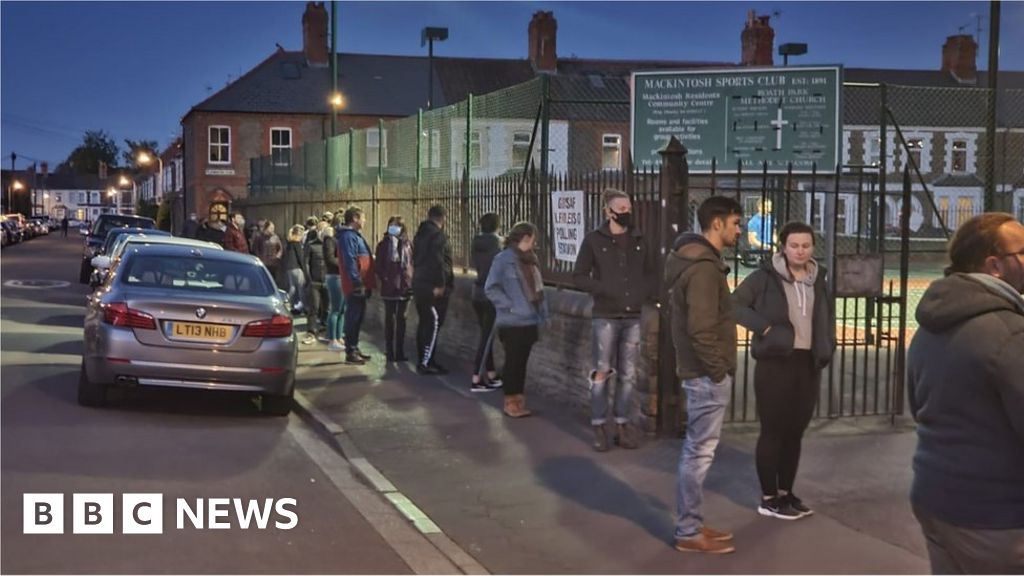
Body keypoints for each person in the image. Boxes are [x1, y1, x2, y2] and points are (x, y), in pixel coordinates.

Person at [907, 213, 1024, 575]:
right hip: (995, 519)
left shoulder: (930, 324)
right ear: (995, 266)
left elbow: (918, 405)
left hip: (935, 500)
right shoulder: (1008, 332)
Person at [732, 221, 835, 521]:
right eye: (794, 245)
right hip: (775, 363)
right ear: (783, 247)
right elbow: (733, 305)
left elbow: (826, 315)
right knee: (773, 431)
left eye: (805, 245)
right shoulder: (764, 278)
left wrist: (827, 345)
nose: (800, 251)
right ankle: (768, 497)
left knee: (795, 433)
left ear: (812, 247)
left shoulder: (819, 279)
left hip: (807, 364)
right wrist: (765, 328)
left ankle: (786, 493)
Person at [665, 195, 743, 554]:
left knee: (698, 451)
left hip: (700, 373)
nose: (739, 230)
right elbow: (701, 329)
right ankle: (688, 531)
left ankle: (692, 523)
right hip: (705, 374)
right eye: (736, 223)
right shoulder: (704, 269)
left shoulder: (696, 261)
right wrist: (717, 371)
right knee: (699, 453)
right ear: (717, 223)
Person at [573, 189, 656, 452]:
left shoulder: (640, 239)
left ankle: (622, 424)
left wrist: (645, 294)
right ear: (608, 211)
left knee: (629, 374)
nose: (626, 213)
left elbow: (651, 273)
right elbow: (579, 276)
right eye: (621, 209)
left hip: (633, 315)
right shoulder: (594, 240)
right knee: (602, 371)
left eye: (629, 208)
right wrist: (604, 289)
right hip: (606, 315)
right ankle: (599, 424)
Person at [484, 222, 548, 418]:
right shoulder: (503, 260)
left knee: (522, 362)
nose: (531, 244)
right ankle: (510, 401)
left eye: (532, 240)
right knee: (513, 361)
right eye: (528, 240)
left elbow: (539, 290)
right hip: (512, 320)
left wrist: (544, 314)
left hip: (530, 319)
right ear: (518, 239)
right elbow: (491, 288)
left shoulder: (531, 260)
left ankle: (519, 400)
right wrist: (511, 305)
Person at [412, 205, 454, 375]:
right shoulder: (437, 236)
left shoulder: (420, 234)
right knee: (433, 324)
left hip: (420, 282)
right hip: (432, 285)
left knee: (425, 322)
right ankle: (426, 362)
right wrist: (440, 284)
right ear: (443, 218)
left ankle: (425, 358)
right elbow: (438, 261)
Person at [470, 212, 504, 392]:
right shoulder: (498, 244)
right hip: (491, 293)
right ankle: (476, 378)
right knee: (486, 338)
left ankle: (490, 373)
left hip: (477, 291)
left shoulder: (476, 242)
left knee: (486, 334)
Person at [338, 206, 375, 365]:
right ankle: (351, 350)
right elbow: (350, 260)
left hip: (361, 284)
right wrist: (357, 282)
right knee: (353, 317)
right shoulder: (348, 237)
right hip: (355, 285)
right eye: (363, 217)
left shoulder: (354, 236)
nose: (365, 221)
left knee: (358, 317)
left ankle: (354, 347)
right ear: (355, 218)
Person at [375, 216, 414, 362]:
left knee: (402, 319)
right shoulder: (383, 245)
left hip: (404, 286)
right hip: (389, 286)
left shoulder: (408, 244)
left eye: (397, 225)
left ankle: (400, 351)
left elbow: (411, 263)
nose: (394, 228)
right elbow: (378, 266)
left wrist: (410, 280)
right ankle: (389, 351)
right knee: (389, 319)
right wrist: (385, 278)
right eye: (392, 225)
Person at [321, 224, 346, 352]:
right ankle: (332, 339)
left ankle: (339, 336)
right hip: (335, 277)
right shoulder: (329, 241)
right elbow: (330, 259)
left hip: (340, 276)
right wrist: (344, 261)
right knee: (336, 309)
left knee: (342, 310)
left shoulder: (334, 240)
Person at [302, 221, 327, 346]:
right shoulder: (311, 245)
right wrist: (309, 278)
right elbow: (306, 263)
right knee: (314, 307)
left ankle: (325, 331)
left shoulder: (331, 245)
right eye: (320, 229)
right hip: (315, 281)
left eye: (325, 229)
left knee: (327, 308)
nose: (322, 232)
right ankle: (311, 332)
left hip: (327, 280)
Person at [282, 224, 309, 315]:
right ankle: (303, 307)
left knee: (292, 288)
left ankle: (289, 304)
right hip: (297, 268)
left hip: (289, 268)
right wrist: (305, 269)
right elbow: (300, 258)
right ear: (299, 234)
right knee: (301, 288)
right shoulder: (297, 244)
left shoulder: (289, 243)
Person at [256, 220, 283, 287]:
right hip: (263, 262)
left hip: (273, 262)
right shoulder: (260, 237)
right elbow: (256, 249)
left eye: (273, 228)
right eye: (271, 228)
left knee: (273, 279)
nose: (272, 230)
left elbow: (280, 248)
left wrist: (278, 256)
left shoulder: (275, 237)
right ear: (266, 228)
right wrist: (259, 257)